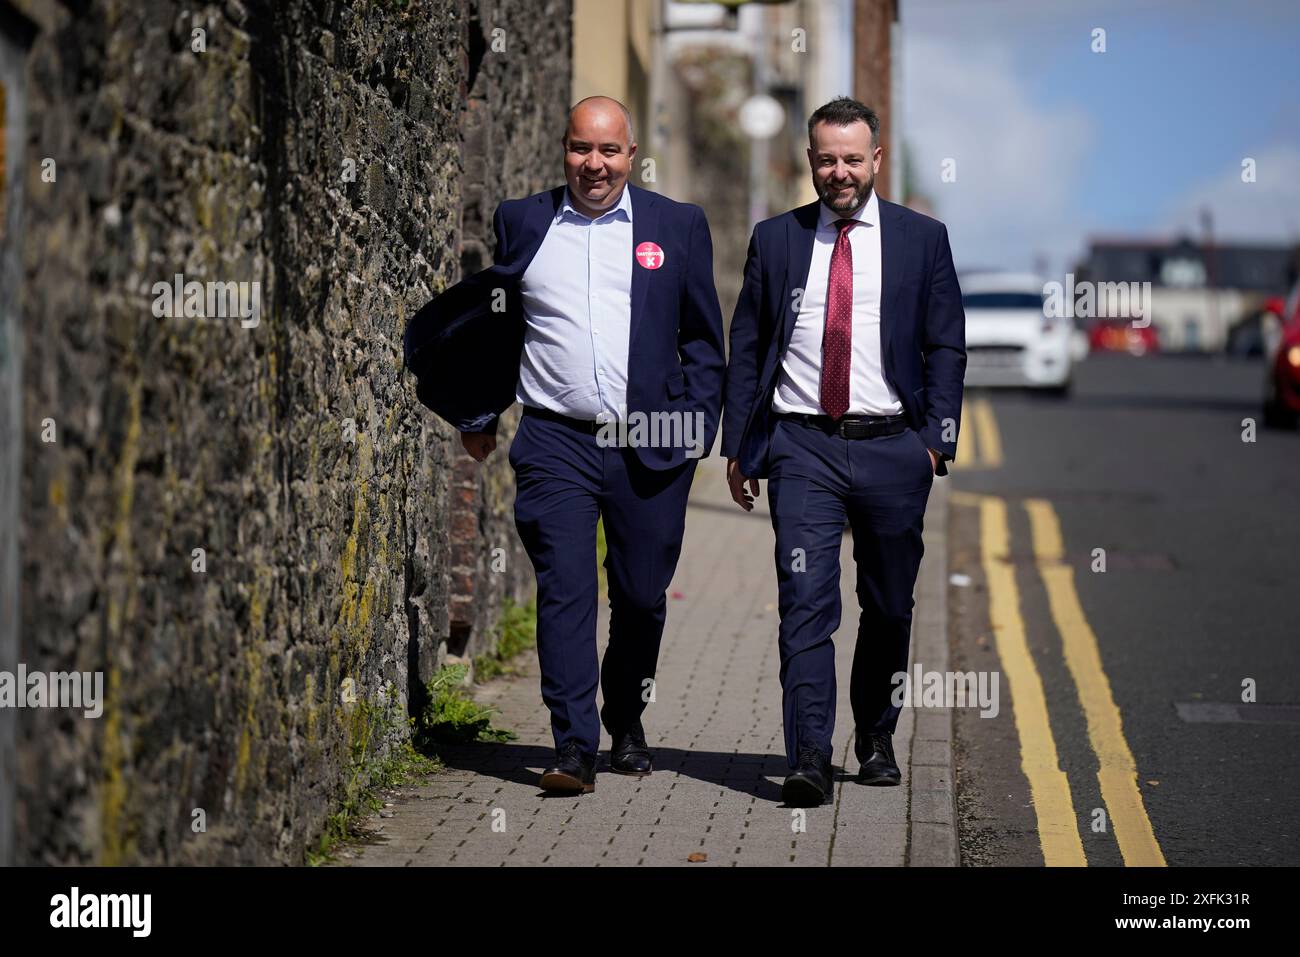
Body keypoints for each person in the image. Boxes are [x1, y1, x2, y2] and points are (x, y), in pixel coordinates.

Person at [404, 95, 726, 794]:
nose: (595, 164)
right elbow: (501, 322)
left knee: (641, 596)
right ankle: (574, 747)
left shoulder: (677, 225)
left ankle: (625, 714)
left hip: (652, 440)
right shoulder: (524, 221)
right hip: (557, 441)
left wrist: (696, 423)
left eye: (609, 151)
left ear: (631, 156)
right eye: (582, 148)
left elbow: (703, 338)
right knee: (566, 590)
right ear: (564, 150)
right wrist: (480, 409)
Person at [721, 96, 966, 807]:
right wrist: (740, 446)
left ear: (876, 160)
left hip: (894, 447)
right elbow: (747, 347)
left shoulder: (923, 240)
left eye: (852, 159)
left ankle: (877, 735)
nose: (839, 172)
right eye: (827, 159)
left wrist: (934, 445)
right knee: (805, 599)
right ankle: (807, 754)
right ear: (810, 160)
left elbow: (946, 344)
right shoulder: (777, 239)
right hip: (802, 445)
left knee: (889, 605)